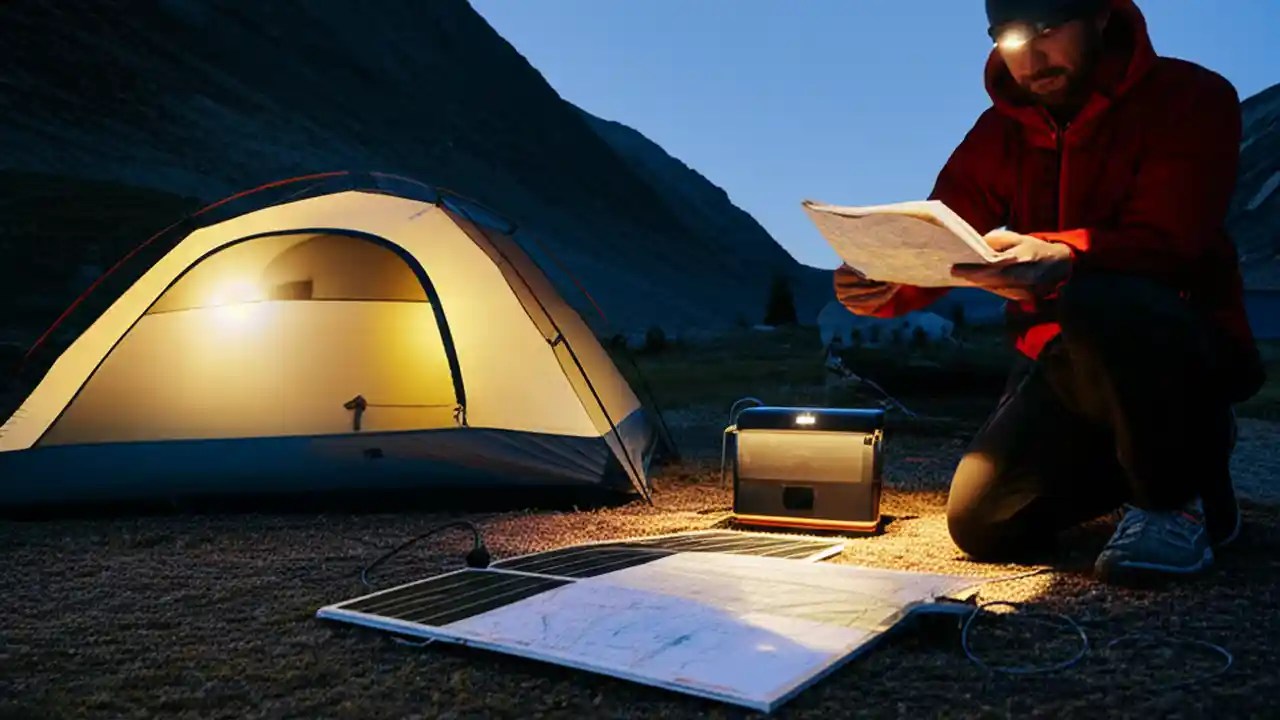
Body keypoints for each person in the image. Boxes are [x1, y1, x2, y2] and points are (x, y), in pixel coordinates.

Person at [834, 0, 1265, 584]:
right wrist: (886, 283)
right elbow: (949, 233)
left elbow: (1174, 238)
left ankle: (1179, 497)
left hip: (1174, 350)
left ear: (1102, 16)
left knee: (1098, 293)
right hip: (1061, 366)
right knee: (984, 523)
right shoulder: (1000, 132)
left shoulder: (1191, 99)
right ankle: (1156, 462)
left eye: (1048, 31)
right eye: (1011, 39)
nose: (1030, 59)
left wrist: (1064, 255)